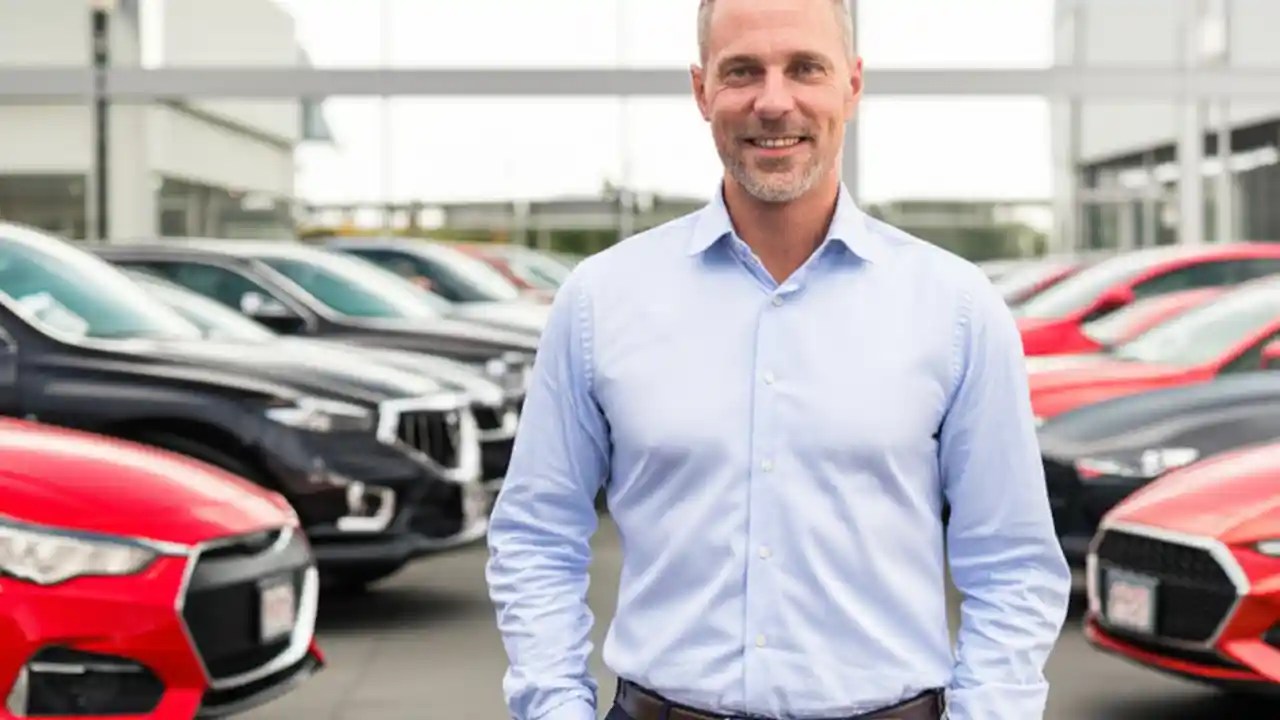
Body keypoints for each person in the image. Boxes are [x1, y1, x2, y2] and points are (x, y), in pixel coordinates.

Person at [485, 0, 1072, 718]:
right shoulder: (600, 300)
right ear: (702, 90)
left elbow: (1013, 565)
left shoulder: (954, 308)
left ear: (851, 86)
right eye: (742, 72)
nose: (773, 100)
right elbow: (536, 535)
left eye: (804, 68)